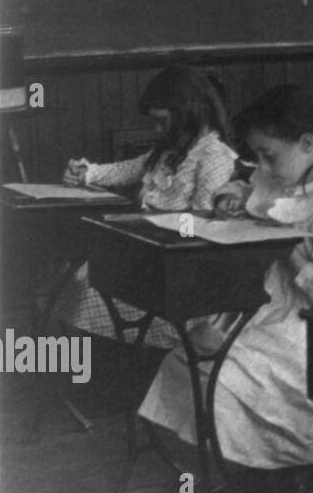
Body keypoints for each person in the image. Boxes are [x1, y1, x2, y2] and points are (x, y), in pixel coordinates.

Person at [140, 84, 313, 493]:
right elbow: (254, 188)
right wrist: (235, 195)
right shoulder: (284, 177)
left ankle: (294, 463)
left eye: (268, 155)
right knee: (188, 354)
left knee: (230, 372)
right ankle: (258, 457)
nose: (260, 165)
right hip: (281, 310)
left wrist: (288, 243)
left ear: (308, 144)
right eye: (256, 156)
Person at [57, 65, 236, 348]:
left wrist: (159, 223)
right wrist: (87, 173)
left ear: (186, 112)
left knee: (92, 288)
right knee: (83, 278)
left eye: (162, 121)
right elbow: (128, 169)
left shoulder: (214, 155)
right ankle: (96, 365)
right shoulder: (173, 148)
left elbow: (203, 224)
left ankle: (112, 363)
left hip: (180, 268)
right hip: (152, 253)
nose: (157, 129)